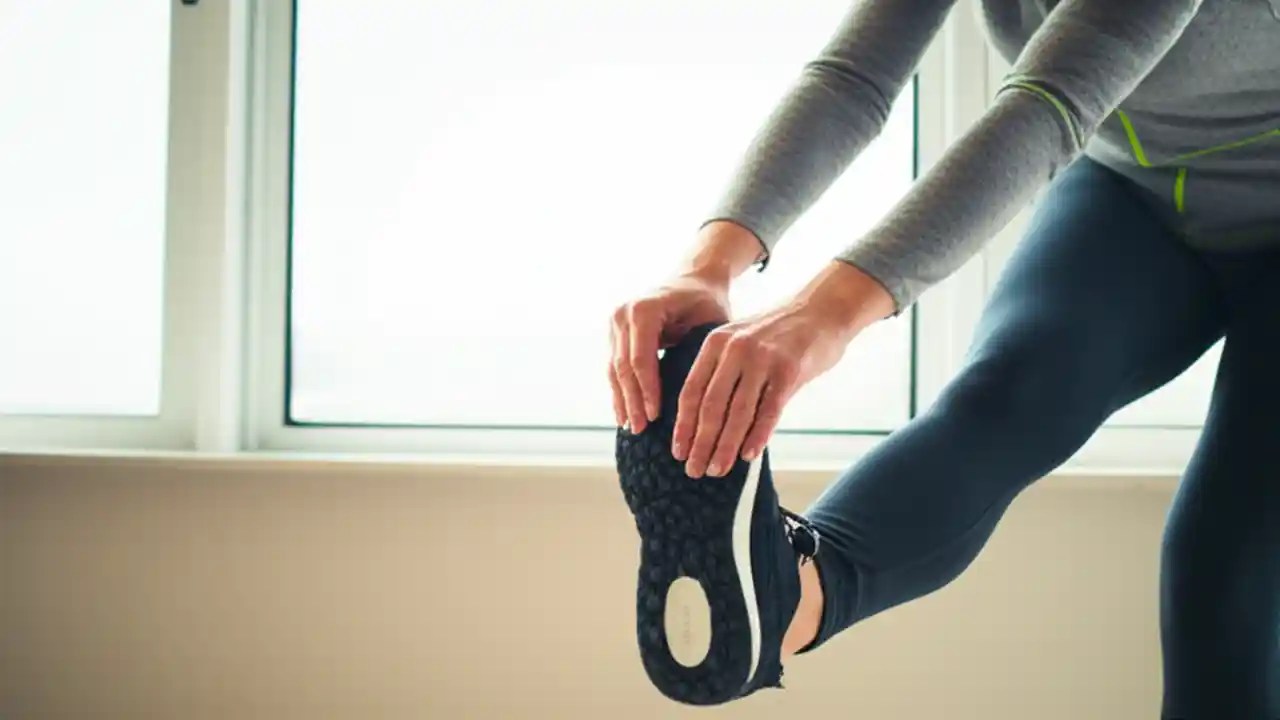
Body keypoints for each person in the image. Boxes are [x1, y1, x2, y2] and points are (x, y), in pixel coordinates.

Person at [609, 0, 1280, 716]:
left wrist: (821, 316)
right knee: (1004, 396)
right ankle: (787, 593)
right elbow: (853, 77)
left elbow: (1047, 105)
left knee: (1223, 577)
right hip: (1139, 192)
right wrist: (710, 264)